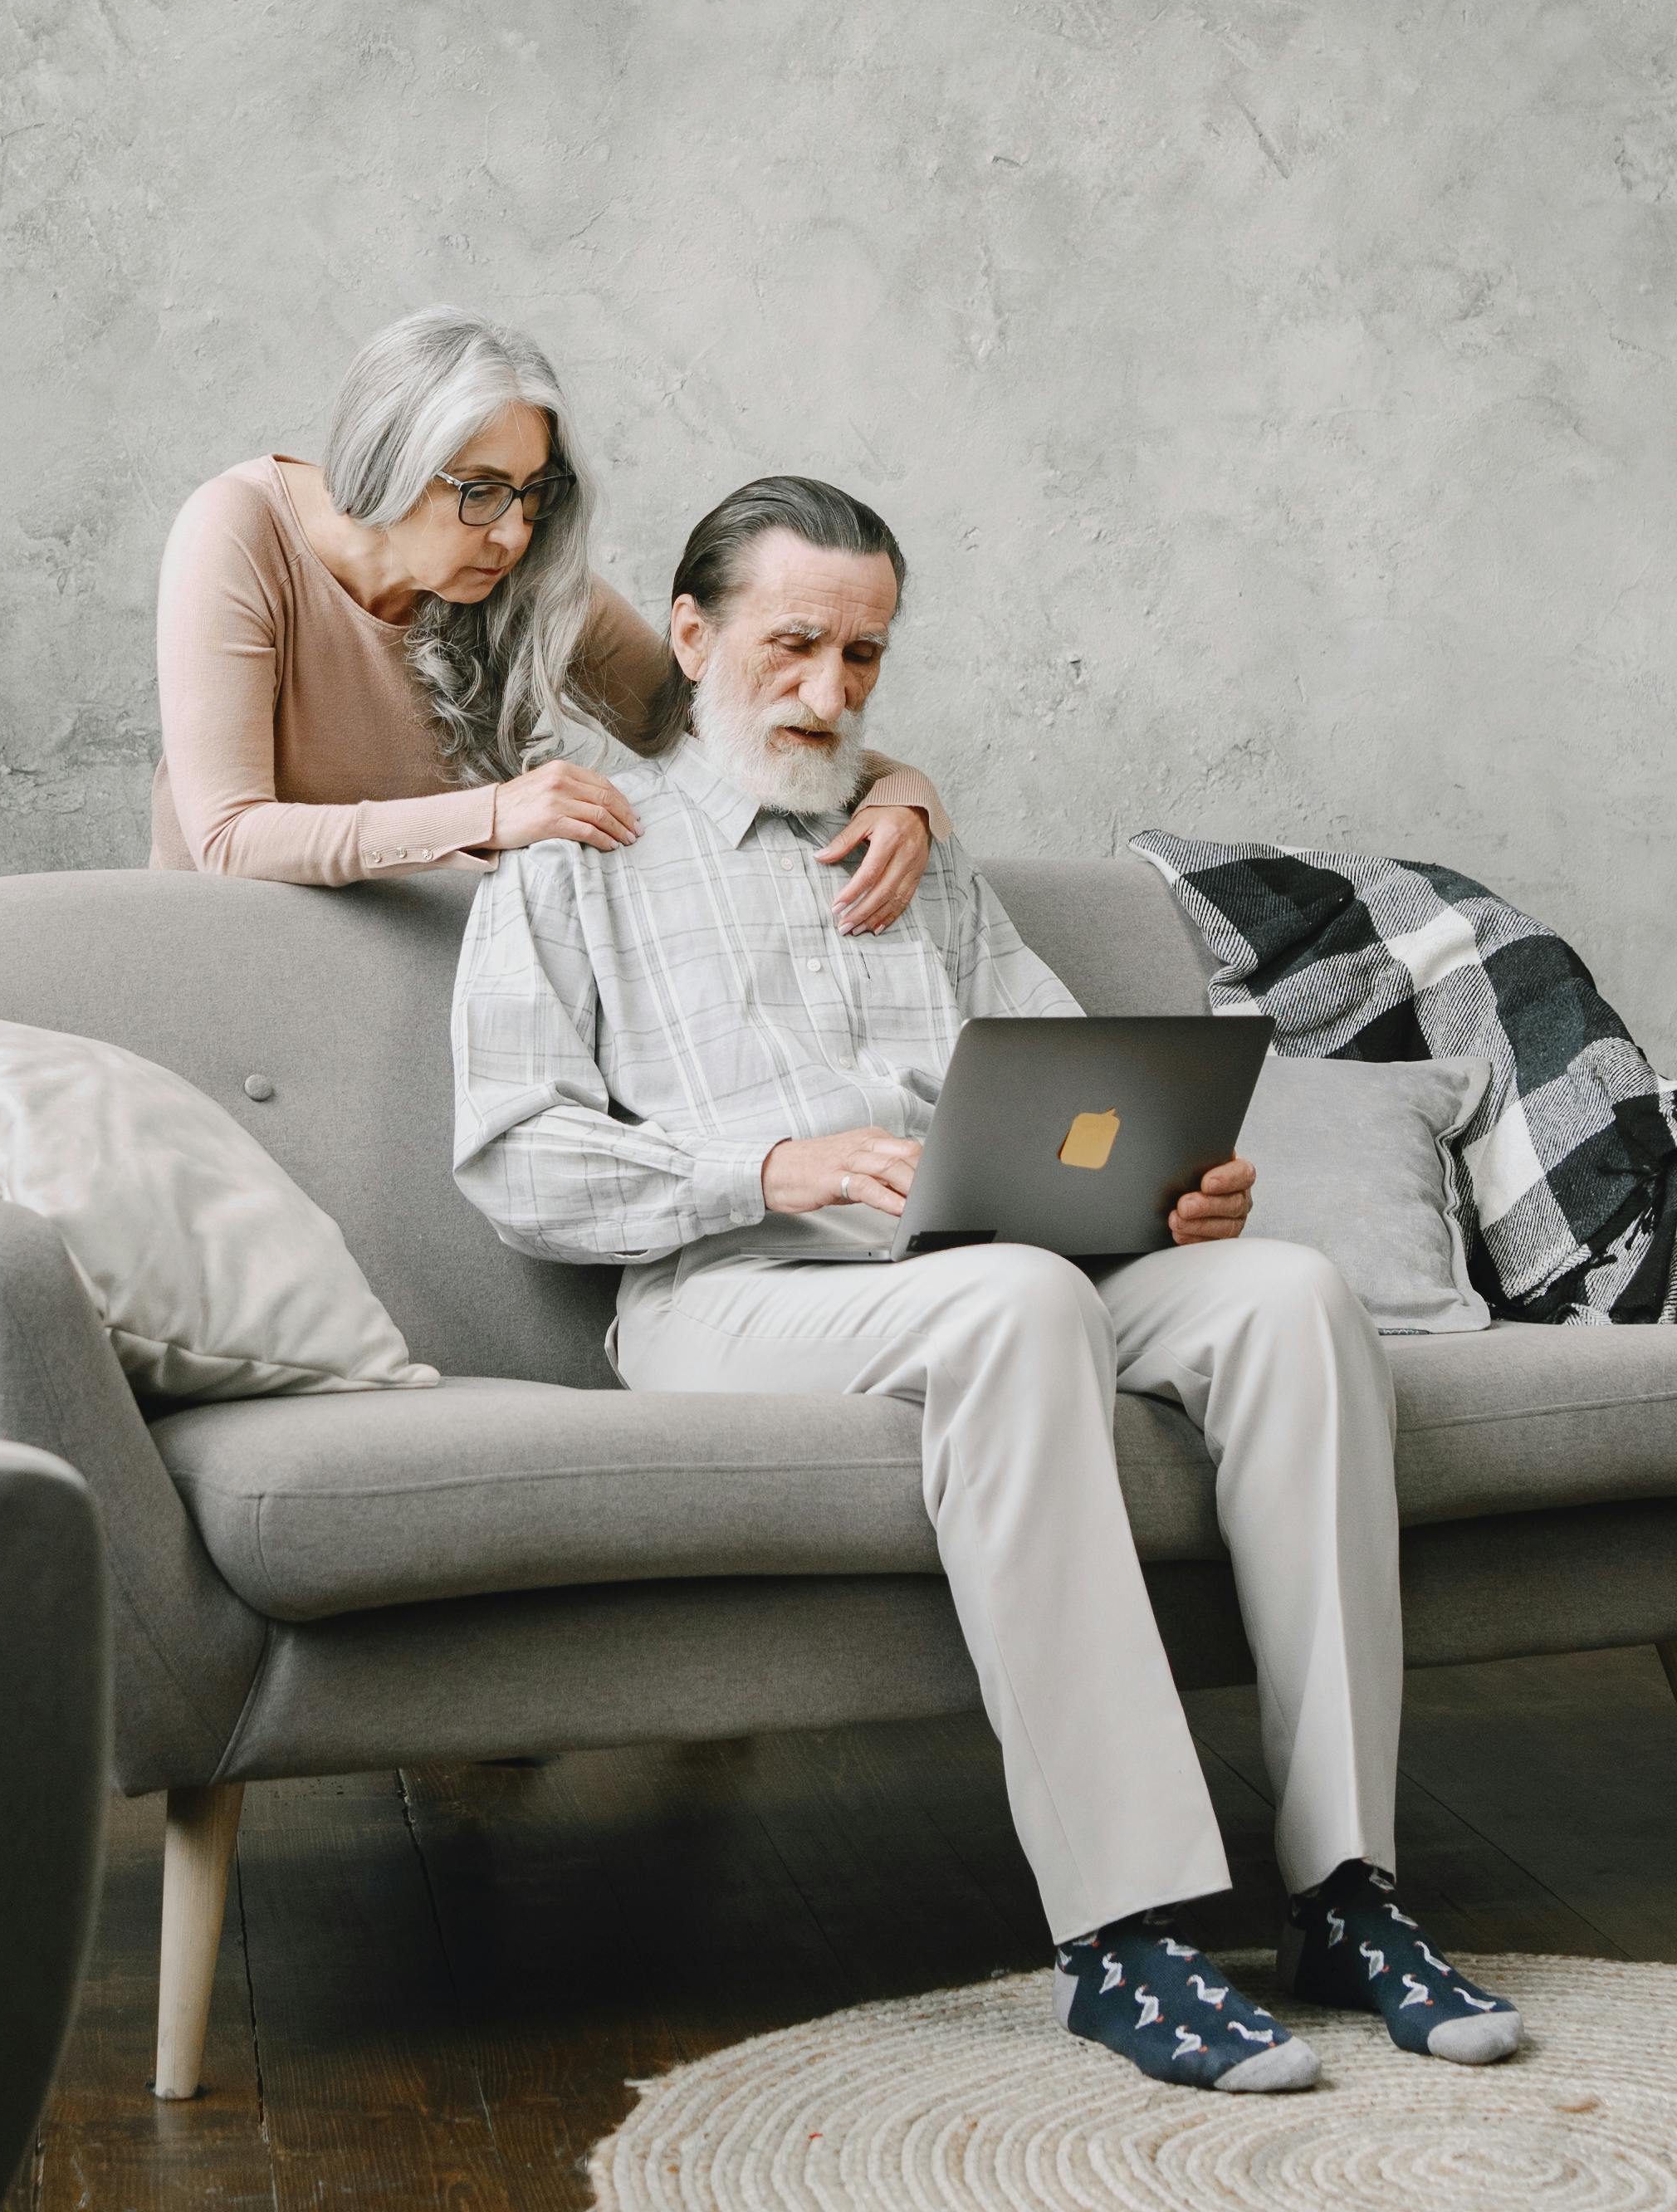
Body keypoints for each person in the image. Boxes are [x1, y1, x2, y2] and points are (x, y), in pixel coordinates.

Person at [451, 472, 1523, 2096]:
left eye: (863, 656)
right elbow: (511, 1157)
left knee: (1290, 1296)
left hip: (974, 1261)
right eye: (791, 647)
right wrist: (768, 1169)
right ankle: (1124, 1931)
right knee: (1017, 1304)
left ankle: (1343, 1889)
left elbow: (1058, 1093)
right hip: (731, 1295)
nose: (829, 693)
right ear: (688, 633)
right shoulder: (572, 855)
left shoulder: (914, 853)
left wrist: (1164, 1195)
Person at [151, 306, 942, 916]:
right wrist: (493, 812)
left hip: (434, 966)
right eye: (482, 491)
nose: (514, 532)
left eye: (534, 493)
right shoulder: (238, 530)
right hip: (238, 951)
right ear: (391, 464)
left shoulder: (528, 576)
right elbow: (228, 837)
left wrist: (899, 790)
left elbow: (726, 722)